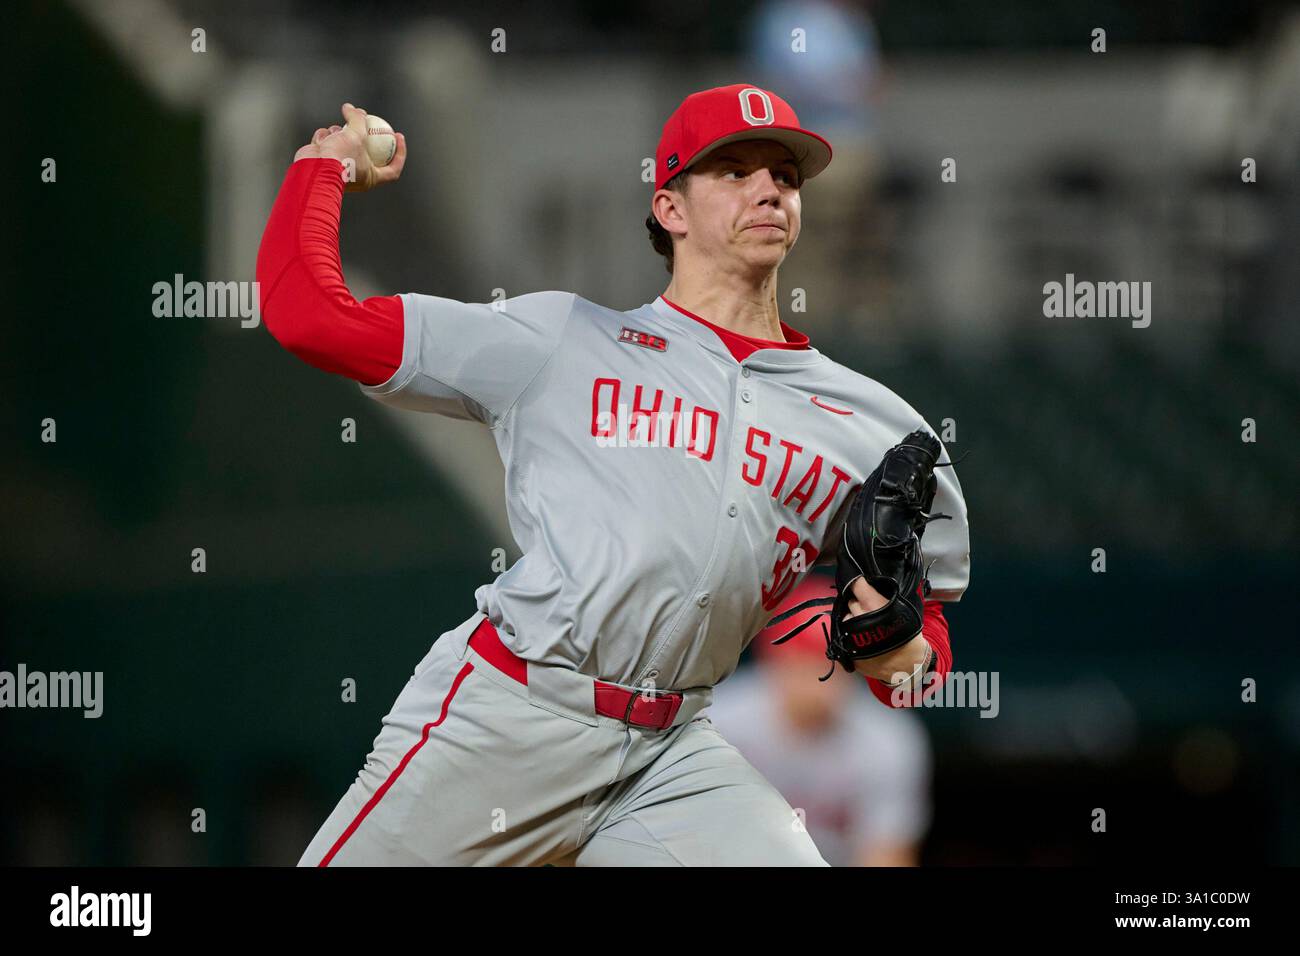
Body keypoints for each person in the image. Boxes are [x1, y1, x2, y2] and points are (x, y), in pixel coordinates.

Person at [255, 84, 970, 866]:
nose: (768, 188)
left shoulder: (873, 425)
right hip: (512, 714)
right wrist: (322, 169)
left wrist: (897, 650)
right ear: (670, 209)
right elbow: (312, 318)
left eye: (785, 177)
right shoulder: (558, 340)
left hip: (673, 756)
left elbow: (918, 647)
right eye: (733, 171)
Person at [703, 571, 933, 866]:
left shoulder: (887, 740)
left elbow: (885, 855)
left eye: (836, 665)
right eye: (806, 663)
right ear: (773, 663)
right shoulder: (719, 723)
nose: (822, 682)